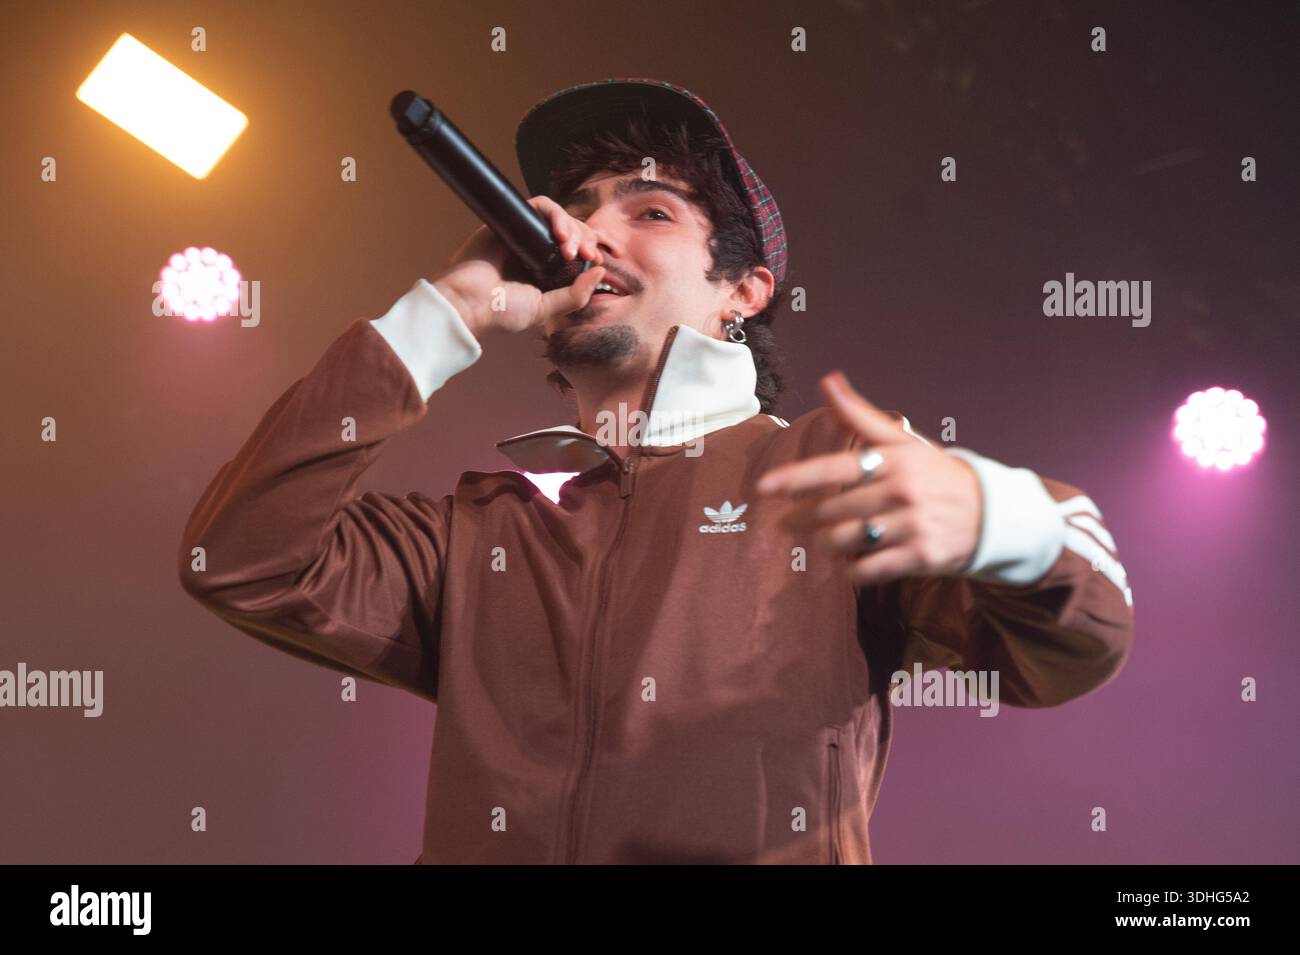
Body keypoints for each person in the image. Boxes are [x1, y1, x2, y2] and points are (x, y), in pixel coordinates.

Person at [178, 77, 1134, 864]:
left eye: (651, 211)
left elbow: (1074, 647)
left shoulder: (825, 470)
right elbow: (239, 558)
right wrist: (443, 314)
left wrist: (999, 516)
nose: (594, 235)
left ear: (743, 292)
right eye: (582, 211)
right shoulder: (484, 528)